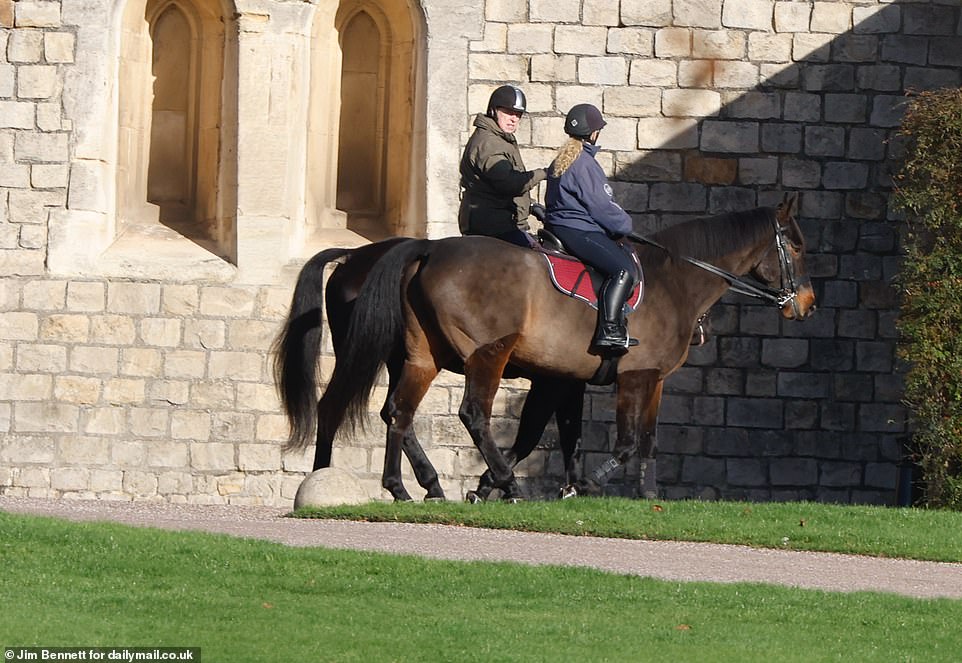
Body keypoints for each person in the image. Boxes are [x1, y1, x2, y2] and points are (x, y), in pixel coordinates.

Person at [544, 103, 639, 352]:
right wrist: (625, 225)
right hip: (579, 230)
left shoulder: (563, 159)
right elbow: (602, 207)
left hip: (561, 227)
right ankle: (609, 330)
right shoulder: (585, 164)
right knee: (624, 270)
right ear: (594, 133)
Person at [459, 85, 547, 247]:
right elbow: (510, 184)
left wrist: (532, 204)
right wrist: (545, 173)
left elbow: (498, 186)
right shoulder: (489, 143)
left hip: (500, 220)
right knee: (538, 260)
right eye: (508, 112)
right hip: (492, 224)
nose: (514, 119)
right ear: (493, 111)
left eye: (518, 114)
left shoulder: (500, 139)